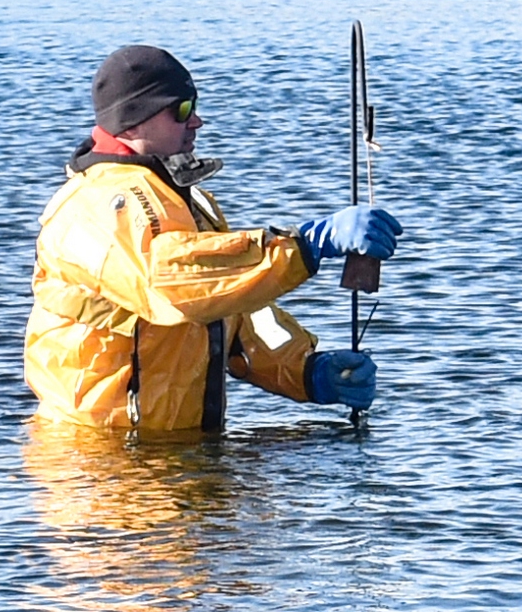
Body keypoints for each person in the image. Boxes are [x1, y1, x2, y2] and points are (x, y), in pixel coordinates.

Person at [24, 45, 403, 433]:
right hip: (93, 457)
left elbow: (235, 308)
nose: (197, 121)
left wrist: (307, 370)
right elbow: (173, 280)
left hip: (179, 450)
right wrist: (302, 246)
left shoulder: (189, 202)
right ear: (132, 122)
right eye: (181, 110)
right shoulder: (96, 205)